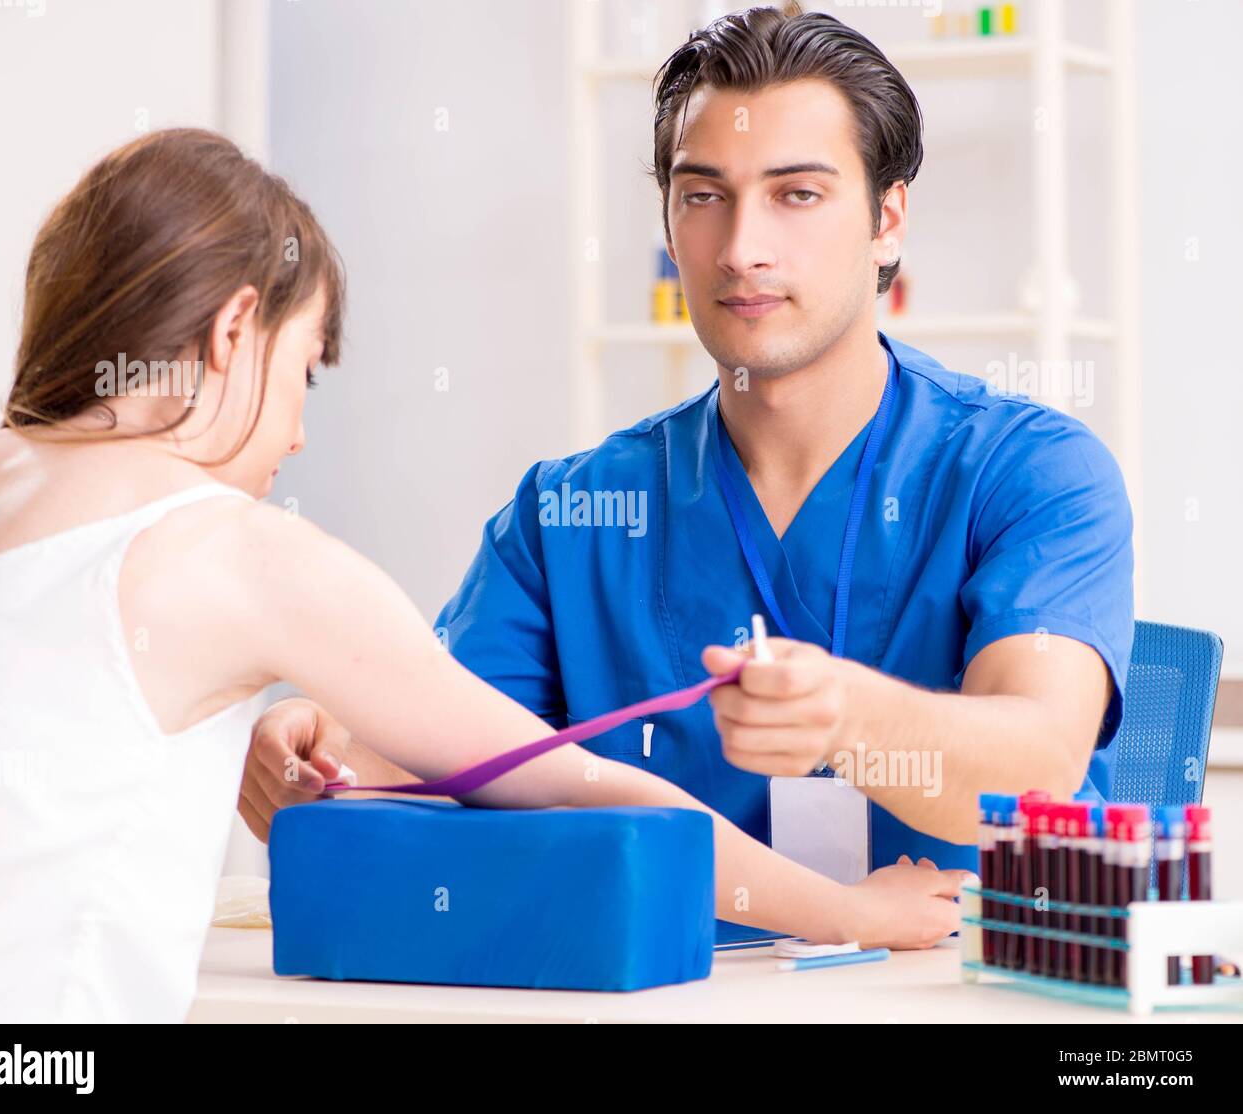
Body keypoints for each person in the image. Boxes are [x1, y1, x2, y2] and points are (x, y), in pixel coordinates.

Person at [0, 127, 968, 1024]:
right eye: (304, 373)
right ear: (230, 332)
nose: (296, 436)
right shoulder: (239, 550)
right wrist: (849, 910)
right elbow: (574, 783)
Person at [242, 5, 1134, 938]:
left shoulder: (1031, 472)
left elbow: (1037, 765)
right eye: (704, 194)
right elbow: (453, 745)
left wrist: (850, 718)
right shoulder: (572, 516)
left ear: (887, 220)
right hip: (677, 990)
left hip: (965, 985)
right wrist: (323, 743)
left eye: (798, 194)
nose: (742, 246)